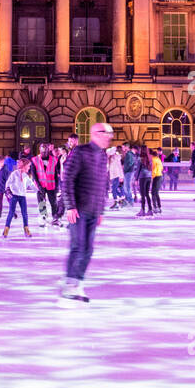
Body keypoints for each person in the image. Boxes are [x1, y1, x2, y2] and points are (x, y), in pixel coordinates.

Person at [59, 122, 111, 306]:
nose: (109, 137)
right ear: (96, 134)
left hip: (93, 210)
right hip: (79, 209)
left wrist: (100, 210)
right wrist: (70, 206)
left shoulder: (103, 156)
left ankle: (78, 283)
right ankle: (68, 287)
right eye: (106, 133)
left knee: (88, 250)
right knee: (78, 247)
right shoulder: (80, 152)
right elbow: (67, 179)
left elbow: (102, 184)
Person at [2, 156, 35, 238]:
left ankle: (26, 229)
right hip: (14, 196)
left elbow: (31, 185)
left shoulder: (26, 176)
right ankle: (6, 228)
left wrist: (38, 191)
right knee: (11, 212)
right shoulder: (14, 174)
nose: (29, 167)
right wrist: (7, 190)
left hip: (22, 197)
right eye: (28, 166)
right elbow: (8, 183)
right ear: (24, 166)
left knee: (25, 214)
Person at [32, 142, 61, 225]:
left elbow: (56, 174)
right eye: (42, 150)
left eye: (45, 150)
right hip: (40, 185)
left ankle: (55, 217)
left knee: (54, 202)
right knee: (41, 202)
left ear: (48, 150)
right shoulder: (35, 160)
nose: (43, 152)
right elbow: (34, 175)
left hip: (51, 185)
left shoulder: (54, 160)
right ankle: (43, 216)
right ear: (39, 150)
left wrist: (57, 186)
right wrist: (38, 186)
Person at [0, 151, 15, 219]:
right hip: (0, 187)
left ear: (2, 162)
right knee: (0, 200)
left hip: (6, 189)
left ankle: (13, 212)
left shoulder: (6, 170)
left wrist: (8, 188)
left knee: (9, 200)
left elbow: (8, 180)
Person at [136, 146, 154, 217]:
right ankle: (150, 209)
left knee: (143, 194)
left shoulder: (140, 158)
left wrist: (136, 179)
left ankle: (142, 210)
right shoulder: (150, 158)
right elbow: (151, 167)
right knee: (147, 194)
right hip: (149, 177)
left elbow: (138, 169)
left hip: (142, 177)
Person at [121, 142, 138, 208]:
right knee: (126, 187)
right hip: (129, 172)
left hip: (129, 172)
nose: (122, 148)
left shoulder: (129, 154)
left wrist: (125, 169)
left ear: (126, 147)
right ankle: (128, 200)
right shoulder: (129, 154)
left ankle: (130, 201)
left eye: (123, 147)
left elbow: (131, 163)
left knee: (127, 187)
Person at [150, 148, 165, 216]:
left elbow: (154, 169)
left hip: (156, 176)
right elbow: (161, 168)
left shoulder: (153, 160)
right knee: (156, 193)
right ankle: (159, 207)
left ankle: (155, 207)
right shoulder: (158, 159)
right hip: (160, 176)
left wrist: (152, 176)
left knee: (153, 193)